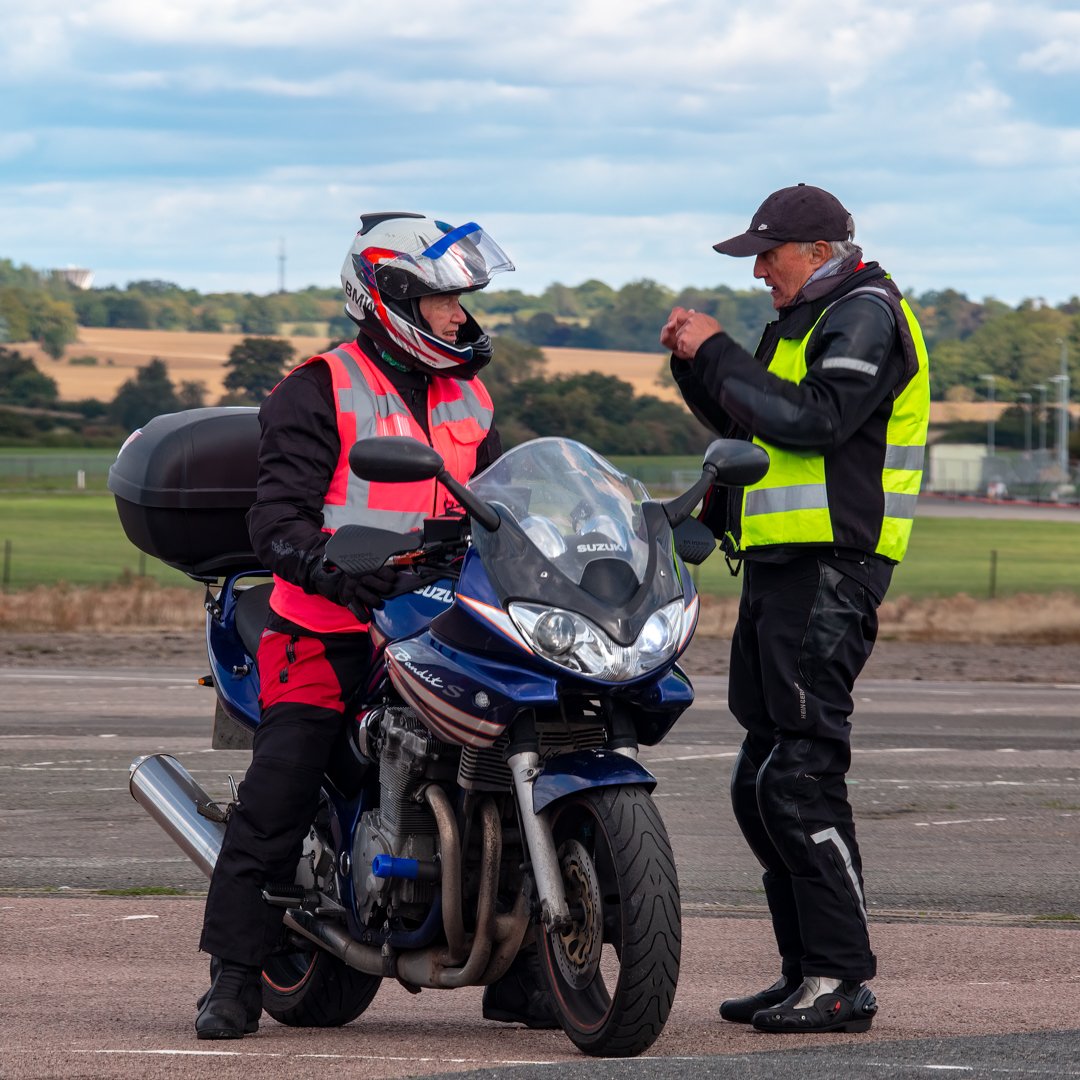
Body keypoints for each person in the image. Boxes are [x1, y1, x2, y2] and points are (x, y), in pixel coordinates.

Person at [195, 212, 553, 1038]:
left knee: (514, 743)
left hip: (438, 616)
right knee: (284, 780)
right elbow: (276, 518)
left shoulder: (470, 391)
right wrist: (331, 570)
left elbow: (500, 501)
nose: (459, 315)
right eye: (443, 300)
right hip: (325, 625)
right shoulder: (316, 387)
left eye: (461, 299)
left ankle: (529, 967)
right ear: (389, 296)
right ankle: (235, 974)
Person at [660, 184, 930, 1034]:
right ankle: (805, 973)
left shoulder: (864, 312)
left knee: (799, 775)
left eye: (767, 256)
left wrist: (722, 350)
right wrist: (695, 362)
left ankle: (843, 979)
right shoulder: (810, 316)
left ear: (817, 250)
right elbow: (754, 418)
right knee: (761, 781)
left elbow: (812, 422)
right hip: (781, 572)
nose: (759, 273)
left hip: (831, 571)